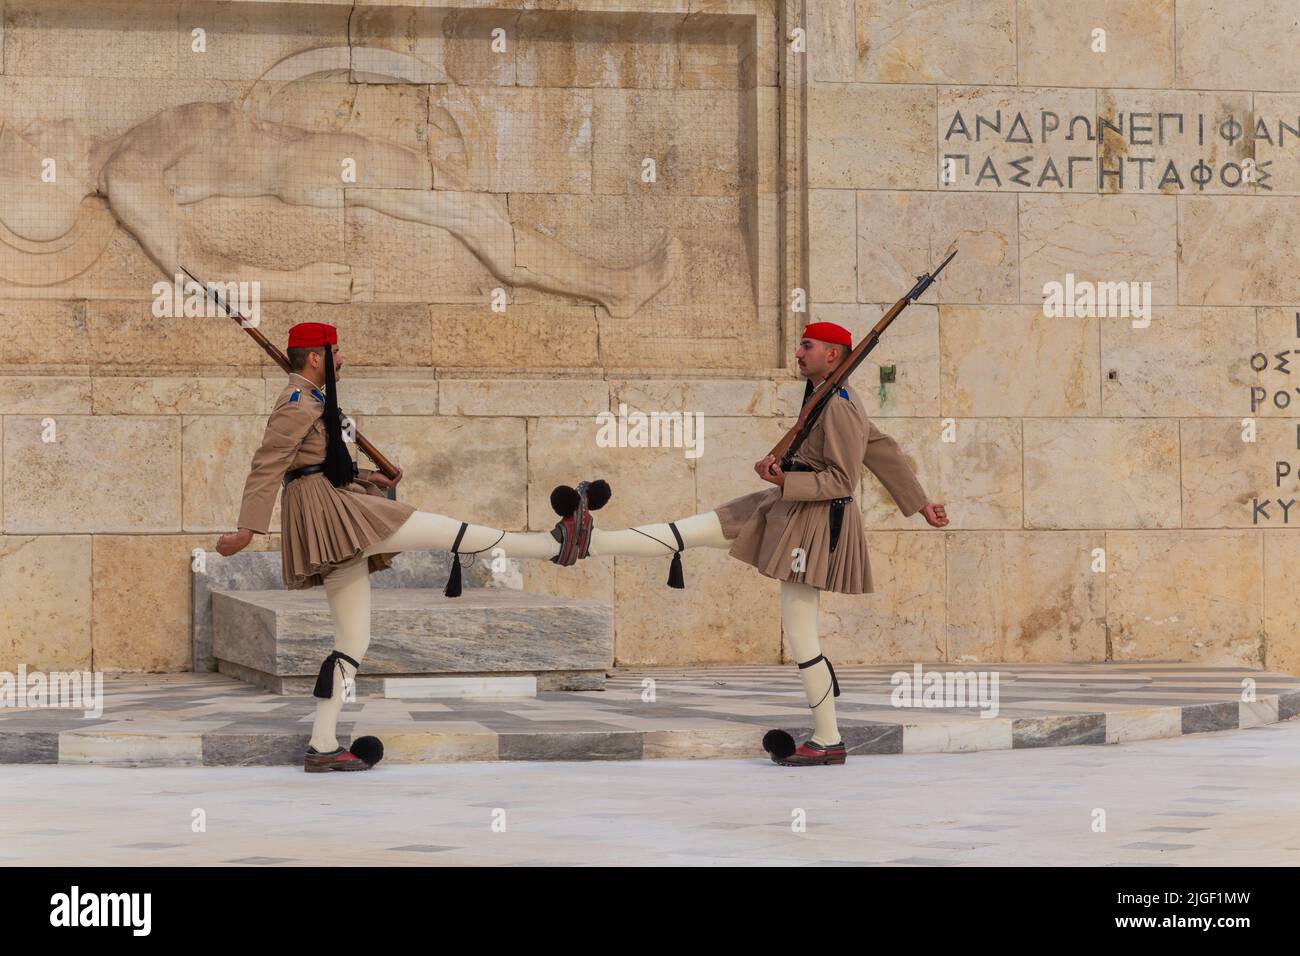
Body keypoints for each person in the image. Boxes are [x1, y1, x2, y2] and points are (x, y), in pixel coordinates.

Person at [574, 321, 949, 766]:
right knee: (693, 529)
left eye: (807, 346)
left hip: (811, 522)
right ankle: (590, 540)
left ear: (833, 355)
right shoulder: (824, 395)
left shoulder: (840, 404)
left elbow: (843, 478)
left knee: (801, 631)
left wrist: (784, 477)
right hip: (785, 505)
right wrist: (921, 503)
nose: (797, 352)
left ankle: (828, 738)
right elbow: (882, 447)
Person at [216, 321, 577, 772]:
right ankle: (550, 545)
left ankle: (323, 745)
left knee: (353, 640)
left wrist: (372, 479)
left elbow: (318, 464)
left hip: (332, 506)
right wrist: (248, 530)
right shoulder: (296, 402)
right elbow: (268, 464)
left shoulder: (313, 400)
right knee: (442, 528)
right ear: (316, 357)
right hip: (331, 515)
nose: (342, 359)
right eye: (337, 351)